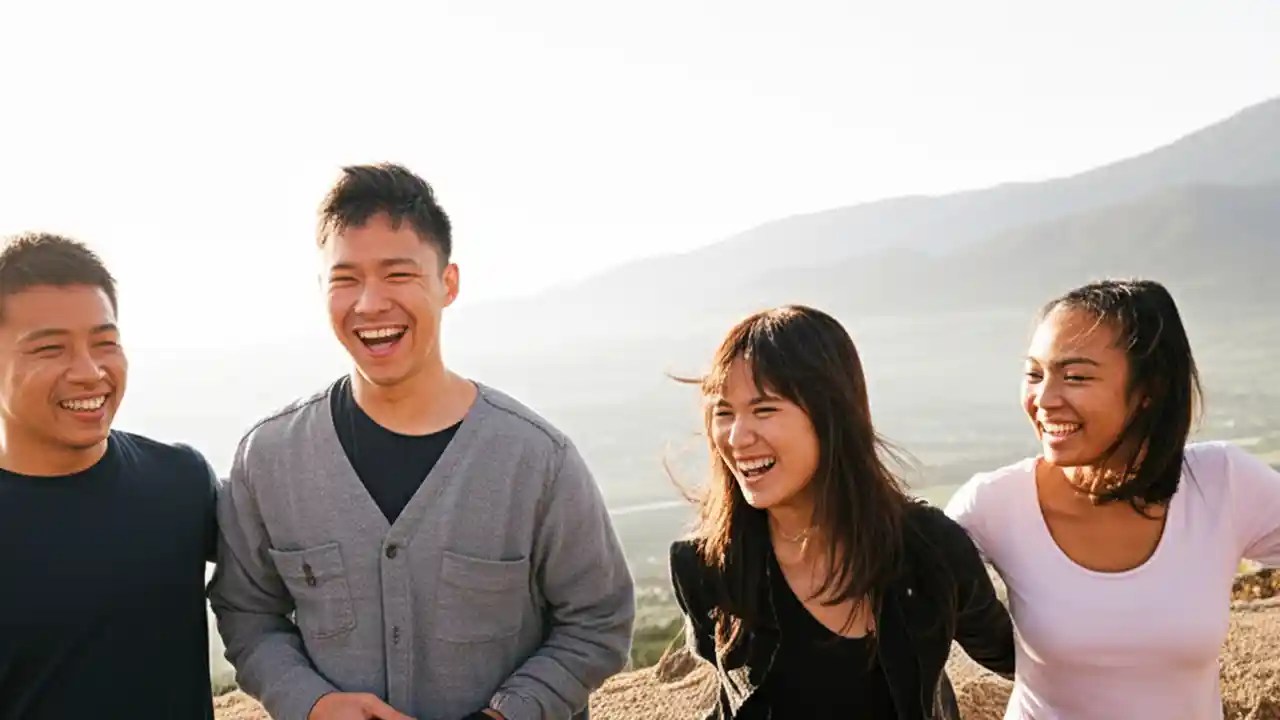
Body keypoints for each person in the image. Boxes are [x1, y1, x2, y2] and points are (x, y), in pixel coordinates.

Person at [209, 163, 635, 720]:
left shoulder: (537, 461)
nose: (369, 303)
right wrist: (312, 704)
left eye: (397, 274)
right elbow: (246, 614)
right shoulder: (268, 460)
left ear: (447, 283)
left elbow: (598, 621)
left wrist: (507, 714)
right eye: (345, 279)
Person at [945, 279, 1280, 719]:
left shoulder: (1222, 482)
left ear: (1149, 389)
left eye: (1075, 377)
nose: (1044, 399)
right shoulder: (994, 503)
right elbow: (898, 590)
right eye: (1034, 374)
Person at [669, 305, 1015, 720]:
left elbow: (1016, 655)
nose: (737, 437)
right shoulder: (708, 567)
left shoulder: (928, 550)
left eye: (764, 409)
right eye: (724, 413)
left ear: (831, 414)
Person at [0, 232, 219, 719]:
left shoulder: (181, 483)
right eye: (50, 349)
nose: (89, 371)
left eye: (105, 343)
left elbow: (285, 571)